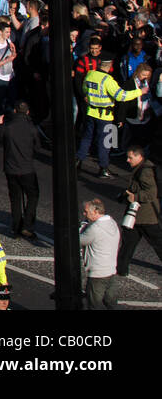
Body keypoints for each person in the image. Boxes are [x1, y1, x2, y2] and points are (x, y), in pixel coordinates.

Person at [78, 57, 141, 178]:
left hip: (91, 112)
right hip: (105, 116)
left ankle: (78, 162)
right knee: (106, 142)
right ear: (110, 66)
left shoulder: (90, 74)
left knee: (87, 138)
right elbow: (121, 96)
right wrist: (139, 92)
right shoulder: (108, 80)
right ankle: (103, 169)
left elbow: (85, 88)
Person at [0, 101, 40, 239]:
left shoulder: (8, 127)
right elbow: (37, 147)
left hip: (11, 168)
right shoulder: (31, 128)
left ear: (15, 111)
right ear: (27, 112)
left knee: (15, 198)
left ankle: (16, 227)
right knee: (32, 196)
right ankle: (27, 225)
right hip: (27, 168)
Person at [118, 144, 162, 278]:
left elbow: (151, 192)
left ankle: (121, 268)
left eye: (130, 157)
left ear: (139, 156)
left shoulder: (145, 172)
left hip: (145, 216)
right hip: (138, 216)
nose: (127, 160)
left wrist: (135, 196)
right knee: (128, 243)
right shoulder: (141, 168)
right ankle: (121, 269)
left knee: (158, 243)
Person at [80, 198, 120, 310]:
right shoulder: (112, 223)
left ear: (96, 211)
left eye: (86, 212)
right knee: (111, 303)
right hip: (111, 270)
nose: (84, 214)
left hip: (97, 273)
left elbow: (79, 240)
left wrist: (83, 226)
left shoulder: (95, 229)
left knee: (94, 305)